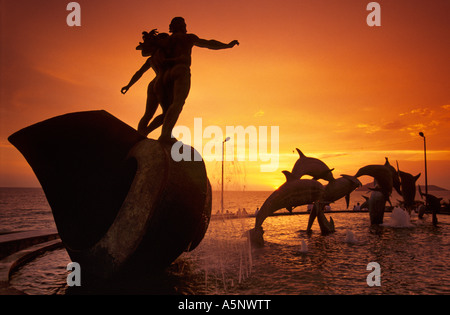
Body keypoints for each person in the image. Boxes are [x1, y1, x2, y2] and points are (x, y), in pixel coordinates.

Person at [157, 17, 239, 142]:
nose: (186, 26)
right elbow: (209, 43)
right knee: (178, 103)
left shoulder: (166, 40)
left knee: (169, 107)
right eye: (184, 24)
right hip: (180, 70)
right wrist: (227, 45)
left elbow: (150, 52)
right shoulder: (188, 38)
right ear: (180, 26)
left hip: (166, 74)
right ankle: (165, 134)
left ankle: (161, 132)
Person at [121, 30, 171, 136]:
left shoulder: (151, 59)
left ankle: (140, 134)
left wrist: (128, 85)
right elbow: (140, 73)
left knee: (147, 115)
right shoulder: (164, 53)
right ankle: (145, 132)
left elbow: (139, 73)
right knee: (168, 113)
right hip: (162, 82)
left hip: (153, 84)